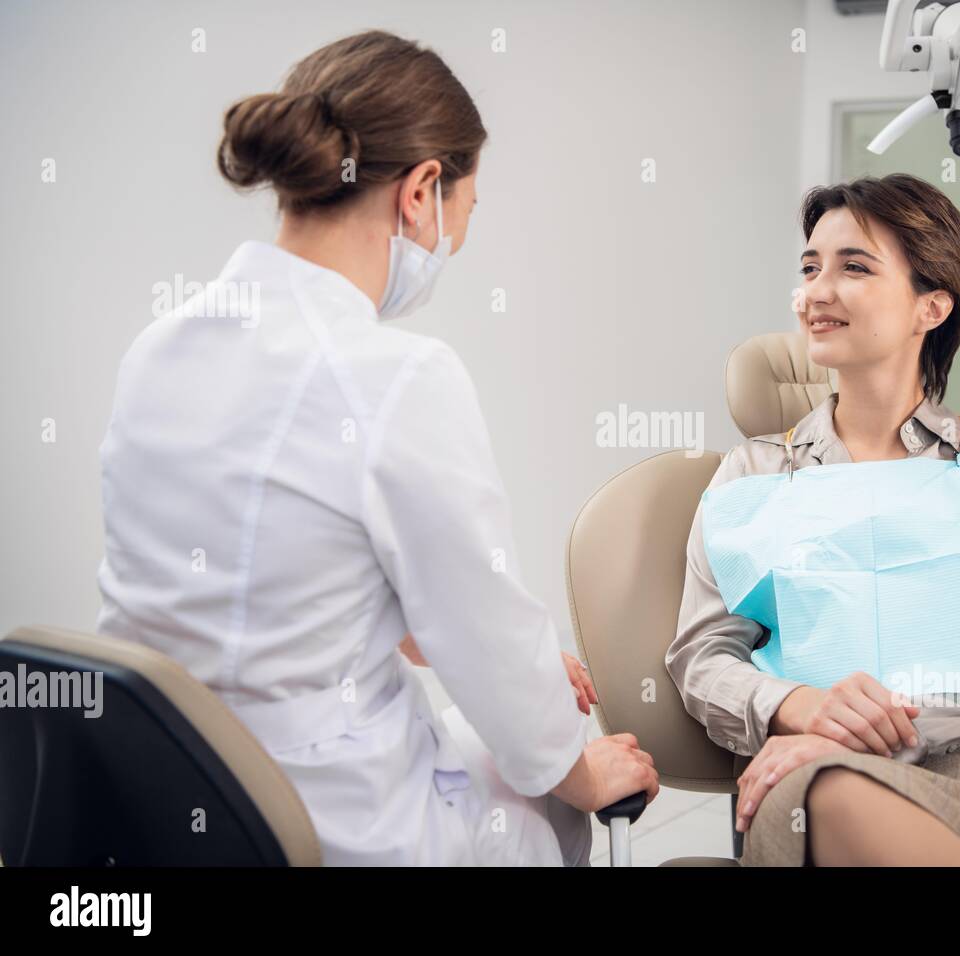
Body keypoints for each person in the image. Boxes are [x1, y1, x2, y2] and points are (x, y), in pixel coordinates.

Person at [95, 30, 657, 866]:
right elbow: (487, 633)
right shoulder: (396, 375)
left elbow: (269, 574)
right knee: (542, 805)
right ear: (422, 191)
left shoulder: (159, 346)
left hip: (151, 791)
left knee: (483, 733)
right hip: (322, 816)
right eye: (463, 214)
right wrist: (577, 766)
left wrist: (433, 636)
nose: (453, 244)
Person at [667, 173, 960, 867]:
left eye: (853, 267)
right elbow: (702, 656)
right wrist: (800, 707)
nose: (816, 291)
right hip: (811, 764)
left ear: (930, 307)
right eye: (810, 267)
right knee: (823, 791)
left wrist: (873, 732)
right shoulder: (751, 476)